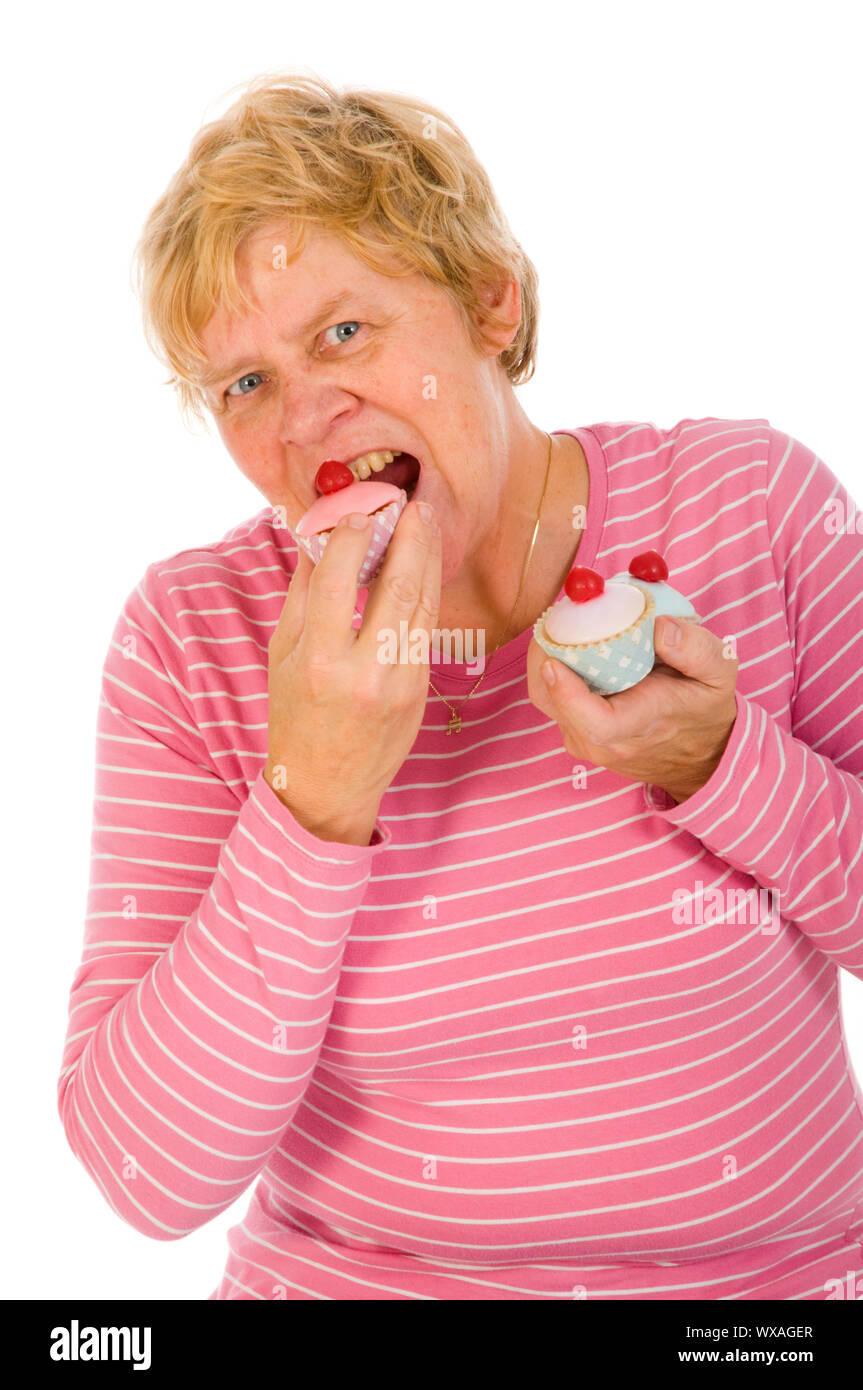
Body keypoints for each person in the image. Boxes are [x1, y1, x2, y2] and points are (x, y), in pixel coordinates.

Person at [57, 72, 863, 1301]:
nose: (306, 415)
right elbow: (144, 1175)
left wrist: (717, 764)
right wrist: (314, 794)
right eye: (244, 383)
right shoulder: (192, 637)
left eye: (343, 331)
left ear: (493, 301)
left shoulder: (750, 506)